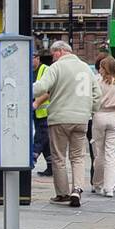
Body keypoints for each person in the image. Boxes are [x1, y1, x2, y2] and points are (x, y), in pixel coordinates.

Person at [33, 40, 102, 208]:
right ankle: (77, 190)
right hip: (81, 119)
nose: (53, 57)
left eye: (53, 53)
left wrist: (21, 89)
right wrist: (90, 110)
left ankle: (62, 194)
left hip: (60, 119)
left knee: (59, 157)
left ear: (60, 51)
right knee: (78, 157)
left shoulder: (57, 68)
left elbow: (42, 87)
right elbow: (98, 94)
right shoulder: (86, 68)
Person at [91, 55, 115, 198]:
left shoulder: (97, 81)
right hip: (114, 117)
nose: (99, 70)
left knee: (99, 153)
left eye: (101, 67)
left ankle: (98, 184)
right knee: (111, 155)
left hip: (99, 116)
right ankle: (110, 188)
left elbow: (91, 98)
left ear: (104, 68)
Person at [31, 52, 53, 178]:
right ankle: (51, 166)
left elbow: (49, 91)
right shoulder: (28, 71)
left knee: (40, 136)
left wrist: (37, 103)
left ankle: (32, 158)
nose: (29, 61)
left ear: (38, 58)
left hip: (46, 111)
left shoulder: (46, 70)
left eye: (32, 58)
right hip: (36, 111)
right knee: (46, 140)